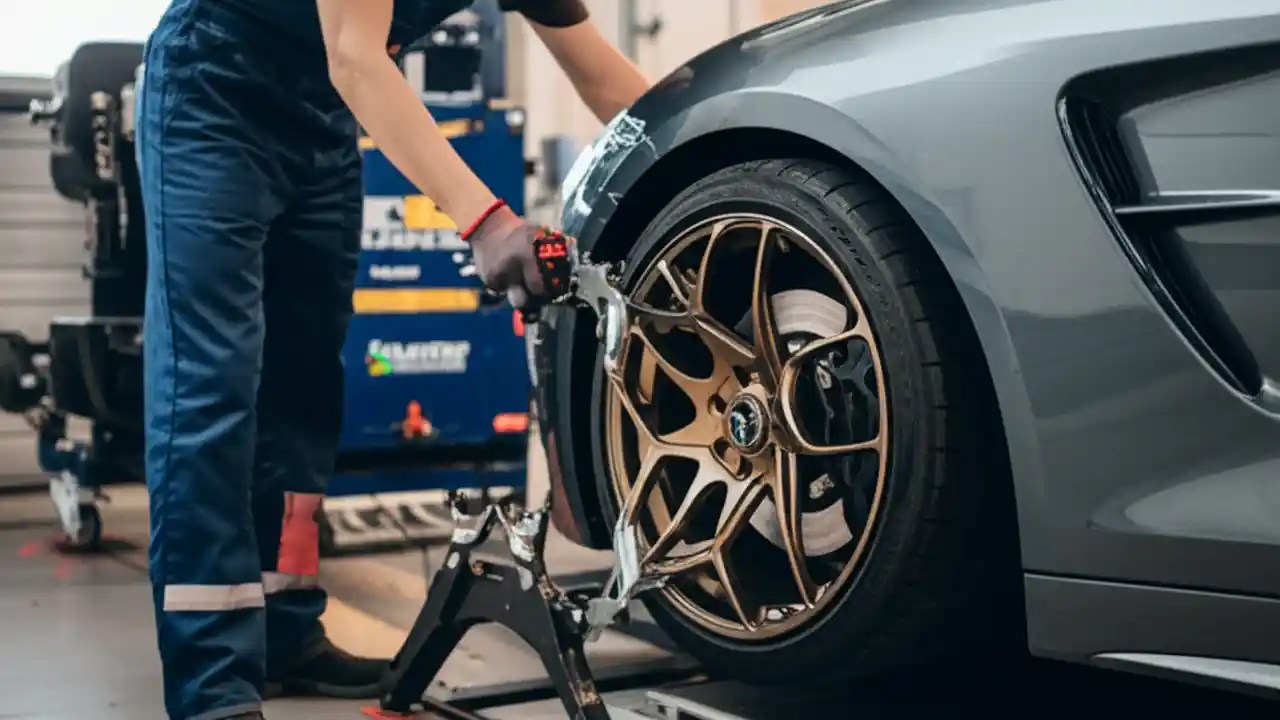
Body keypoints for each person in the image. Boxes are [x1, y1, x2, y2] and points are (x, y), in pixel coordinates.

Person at [133, 0, 650, 717]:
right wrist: (487, 220)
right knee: (210, 390)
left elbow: (602, 77)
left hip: (320, 115)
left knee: (303, 396)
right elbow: (354, 54)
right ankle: (212, 680)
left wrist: (711, 140)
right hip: (214, 89)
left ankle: (285, 630)